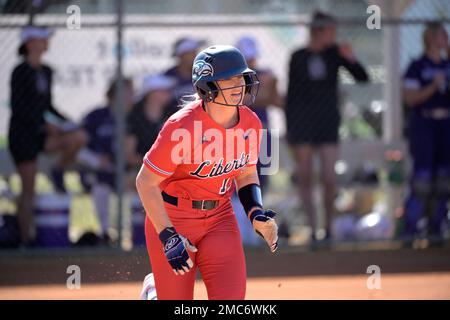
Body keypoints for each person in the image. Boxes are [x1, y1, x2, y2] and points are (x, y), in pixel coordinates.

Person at [136, 45, 279, 300]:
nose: (239, 84)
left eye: (241, 77)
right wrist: (168, 236)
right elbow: (146, 182)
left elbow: (246, 174)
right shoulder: (182, 127)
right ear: (208, 86)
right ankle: (155, 292)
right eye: (229, 78)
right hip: (174, 218)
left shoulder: (251, 123)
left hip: (219, 218)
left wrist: (256, 213)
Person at [285, 11, 368, 243]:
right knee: (306, 177)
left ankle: (328, 229)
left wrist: (350, 58)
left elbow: (362, 78)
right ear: (318, 32)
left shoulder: (335, 55)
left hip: (328, 122)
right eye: (330, 31)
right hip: (302, 124)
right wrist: (290, 127)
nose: (334, 35)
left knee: (330, 177)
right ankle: (313, 230)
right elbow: (291, 95)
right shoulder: (298, 56)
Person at [8, 26, 86, 245]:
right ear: (30, 43)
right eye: (41, 39)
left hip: (41, 133)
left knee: (77, 137)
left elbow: (48, 106)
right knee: (28, 188)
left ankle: (57, 170)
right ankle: (26, 239)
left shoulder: (46, 71)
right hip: (23, 135)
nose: (46, 43)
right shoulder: (20, 71)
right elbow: (20, 108)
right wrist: (46, 125)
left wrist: (66, 123)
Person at [402, 22, 450, 244]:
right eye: (441, 34)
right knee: (422, 181)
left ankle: (436, 231)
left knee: (443, 180)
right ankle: (410, 232)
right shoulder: (417, 66)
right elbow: (411, 98)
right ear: (430, 38)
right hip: (424, 124)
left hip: (446, 125)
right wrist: (433, 85)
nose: (445, 37)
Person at [78, 77, 134, 244]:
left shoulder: (133, 118)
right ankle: (106, 234)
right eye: (126, 93)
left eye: (131, 93)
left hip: (123, 171)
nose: (130, 97)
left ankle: (134, 235)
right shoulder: (97, 116)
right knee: (100, 186)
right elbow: (79, 150)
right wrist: (97, 161)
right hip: (98, 171)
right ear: (113, 95)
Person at [235, 35, 283, 192]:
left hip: (262, 130)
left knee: (263, 173)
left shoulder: (264, 74)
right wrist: (262, 89)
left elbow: (275, 100)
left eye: (252, 57)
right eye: (246, 58)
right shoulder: (231, 78)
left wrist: (273, 84)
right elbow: (246, 100)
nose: (250, 61)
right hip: (239, 132)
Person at [125, 74, 177, 174]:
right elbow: (129, 156)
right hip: (139, 171)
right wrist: (155, 165)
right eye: (164, 90)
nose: (169, 93)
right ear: (152, 94)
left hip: (168, 170)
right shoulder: (134, 117)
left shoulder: (172, 113)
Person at [163, 37, 205, 105]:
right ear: (181, 55)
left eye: (195, 52)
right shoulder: (169, 75)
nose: (195, 56)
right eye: (191, 53)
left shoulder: (202, 74)